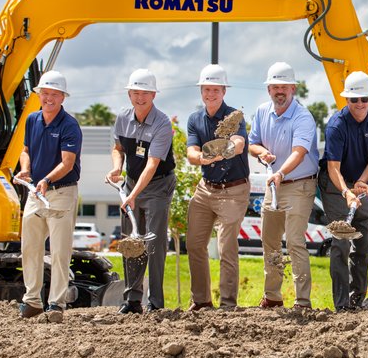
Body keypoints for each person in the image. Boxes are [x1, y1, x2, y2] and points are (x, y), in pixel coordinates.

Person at [248, 62, 319, 309]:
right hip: (274, 184)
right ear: (269, 89)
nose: (279, 90)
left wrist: (280, 172)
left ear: (293, 88)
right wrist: (263, 153)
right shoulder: (261, 112)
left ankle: (302, 301)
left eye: (284, 86)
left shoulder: (303, 117)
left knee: (295, 241)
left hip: (299, 185)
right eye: (275, 86)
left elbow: (299, 152)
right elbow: (252, 143)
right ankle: (273, 297)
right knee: (270, 241)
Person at [319, 71, 368, 311]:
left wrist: (361, 182)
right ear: (346, 100)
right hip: (335, 184)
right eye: (354, 100)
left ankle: (356, 300)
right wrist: (346, 192)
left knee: (362, 240)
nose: (359, 104)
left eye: (364, 99)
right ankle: (341, 305)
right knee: (341, 240)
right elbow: (333, 168)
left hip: (360, 182)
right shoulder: (336, 125)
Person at [107, 68, 176, 314]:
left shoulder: (162, 123)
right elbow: (118, 148)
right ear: (129, 93)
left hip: (158, 184)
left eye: (145, 93)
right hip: (131, 182)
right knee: (131, 241)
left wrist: (132, 196)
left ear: (154, 95)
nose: (140, 97)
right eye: (135, 92)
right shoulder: (122, 118)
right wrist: (117, 169)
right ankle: (132, 299)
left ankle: (155, 301)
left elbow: (152, 164)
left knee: (153, 242)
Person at [15, 71, 82, 323]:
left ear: (62, 97)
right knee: (29, 247)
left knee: (59, 250)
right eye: (45, 93)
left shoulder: (69, 125)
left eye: (54, 94)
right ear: (39, 95)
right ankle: (32, 301)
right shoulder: (32, 120)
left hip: (61, 191)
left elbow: (67, 163)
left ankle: (56, 302)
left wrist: (46, 180)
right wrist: (26, 168)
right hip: (36, 192)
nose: (49, 98)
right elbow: (25, 150)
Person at [185, 64, 249, 310]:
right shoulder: (194, 119)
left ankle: (228, 305)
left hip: (233, 190)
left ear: (224, 90)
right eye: (206, 89)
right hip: (205, 189)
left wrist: (220, 152)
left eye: (215, 89)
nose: (210, 94)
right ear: (201, 90)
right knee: (194, 244)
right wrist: (202, 158)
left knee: (226, 247)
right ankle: (201, 300)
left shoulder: (234, 117)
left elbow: (239, 143)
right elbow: (191, 152)